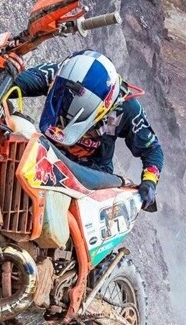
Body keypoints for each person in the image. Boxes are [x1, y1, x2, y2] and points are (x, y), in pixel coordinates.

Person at [14, 49, 162, 211]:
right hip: (44, 155)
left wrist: (149, 182)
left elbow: (152, 149)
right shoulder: (60, 75)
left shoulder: (125, 108)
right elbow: (15, 81)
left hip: (90, 178)